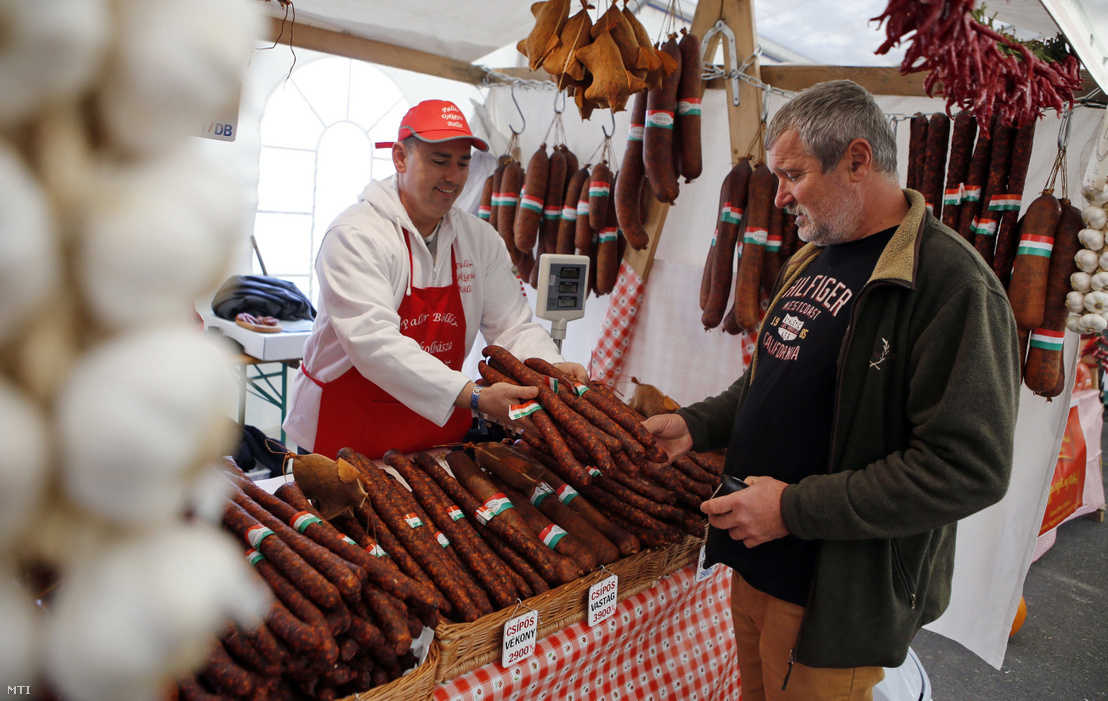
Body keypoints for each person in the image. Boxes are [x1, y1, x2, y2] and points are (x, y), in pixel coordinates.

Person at [644, 80, 1019, 700]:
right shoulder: (815, 254)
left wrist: (792, 509)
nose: (781, 195)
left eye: (793, 175)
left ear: (856, 160)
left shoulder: (951, 285)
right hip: (757, 561)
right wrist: (697, 424)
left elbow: (969, 469)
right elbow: (775, 377)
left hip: (833, 596)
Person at [284, 99, 586, 458]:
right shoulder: (356, 234)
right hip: (344, 436)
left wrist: (549, 370)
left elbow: (513, 328)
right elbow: (373, 343)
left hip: (435, 438)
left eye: (463, 163)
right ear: (400, 158)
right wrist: (476, 396)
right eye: (440, 161)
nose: (455, 177)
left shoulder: (480, 239)